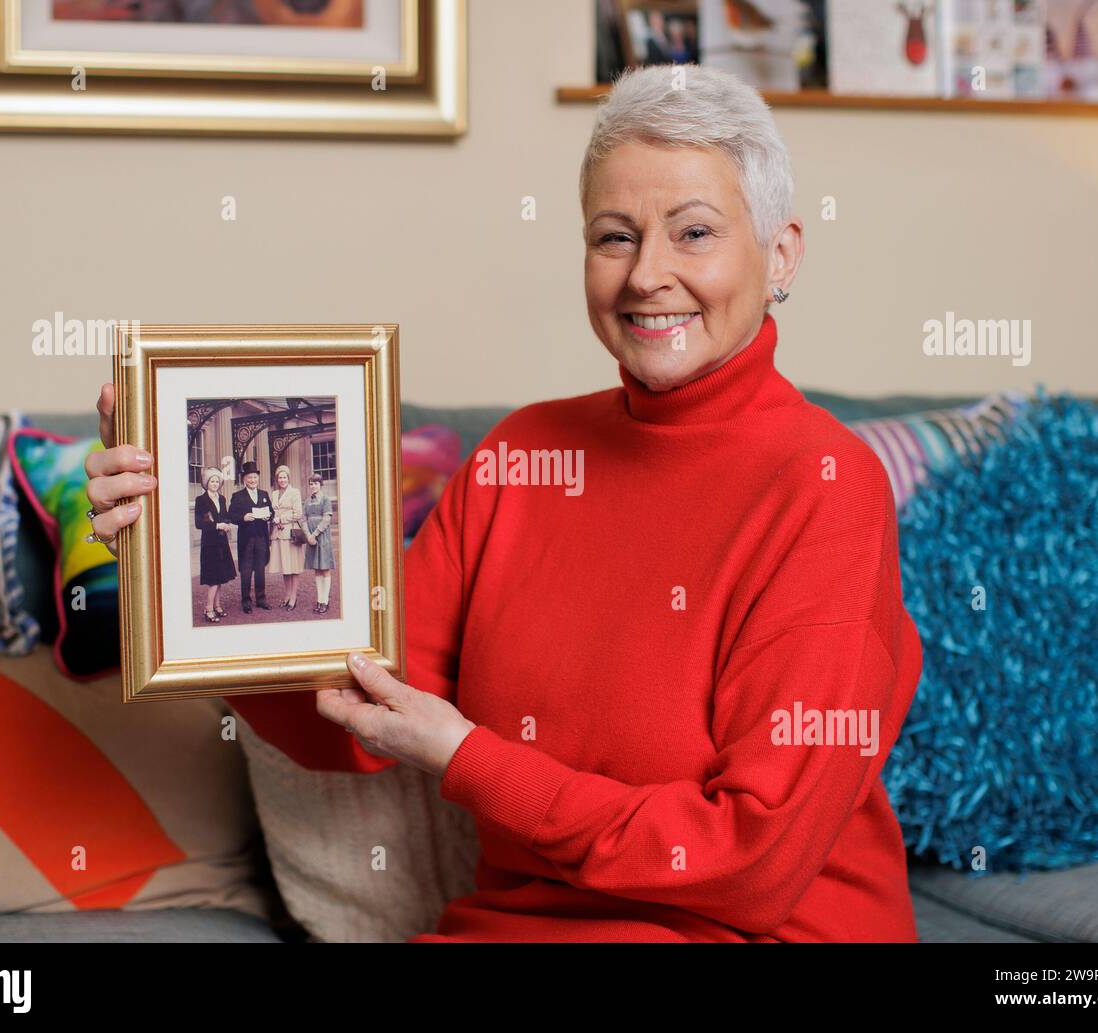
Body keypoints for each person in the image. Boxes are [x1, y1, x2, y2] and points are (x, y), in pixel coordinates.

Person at [84, 63, 923, 942]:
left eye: (695, 232)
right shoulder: (519, 458)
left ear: (781, 252)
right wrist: (168, 561)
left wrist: (470, 758)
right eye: (613, 237)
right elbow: (360, 718)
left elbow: (751, 865)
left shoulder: (827, 485)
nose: (647, 275)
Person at [227, 460, 272, 614]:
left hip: (261, 537)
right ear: (244, 479)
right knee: (246, 571)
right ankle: (246, 600)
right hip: (246, 539)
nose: (253, 480)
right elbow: (231, 515)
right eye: (249, 478)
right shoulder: (237, 496)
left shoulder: (264, 494)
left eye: (255, 477)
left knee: (260, 569)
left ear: (257, 478)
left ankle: (261, 599)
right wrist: (243, 517)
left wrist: (269, 517)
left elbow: (271, 512)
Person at [194, 467, 237, 623]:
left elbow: (224, 516)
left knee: (221, 576)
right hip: (210, 543)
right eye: (212, 481)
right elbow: (199, 523)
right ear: (207, 483)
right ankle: (209, 609)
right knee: (213, 578)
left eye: (217, 481)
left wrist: (227, 524)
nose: (214, 483)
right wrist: (217, 526)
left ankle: (218, 606)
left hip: (222, 541)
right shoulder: (201, 500)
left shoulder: (222, 498)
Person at [267, 464, 305, 609]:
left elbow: (298, 514)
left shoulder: (294, 492)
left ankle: (293, 598)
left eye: (284, 477)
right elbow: (273, 512)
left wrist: (281, 518)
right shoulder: (275, 494)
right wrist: (273, 518)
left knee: (293, 567)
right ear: (277, 479)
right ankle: (287, 595)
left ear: (288, 478)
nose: (282, 480)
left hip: (291, 534)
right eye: (279, 477)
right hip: (278, 534)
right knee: (285, 567)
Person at [302, 473, 336, 614]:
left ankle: (325, 601)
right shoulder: (307, 501)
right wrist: (308, 535)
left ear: (320, 484)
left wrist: (314, 534)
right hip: (311, 538)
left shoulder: (326, 499)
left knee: (325, 568)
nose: (313, 486)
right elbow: (303, 519)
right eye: (311, 483)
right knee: (317, 568)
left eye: (316, 483)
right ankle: (319, 600)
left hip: (322, 538)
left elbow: (326, 519)